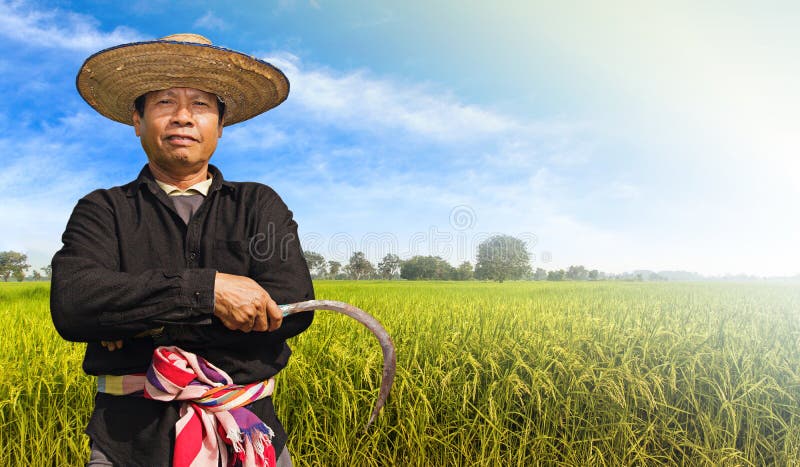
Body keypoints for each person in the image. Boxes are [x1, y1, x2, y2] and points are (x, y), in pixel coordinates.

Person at [50, 33, 314, 466]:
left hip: (250, 436)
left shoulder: (258, 203)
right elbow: (75, 305)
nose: (183, 118)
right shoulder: (103, 209)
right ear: (137, 120)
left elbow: (291, 307)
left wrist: (135, 318)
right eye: (165, 103)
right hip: (127, 445)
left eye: (201, 105)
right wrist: (210, 291)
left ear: (220, 125)